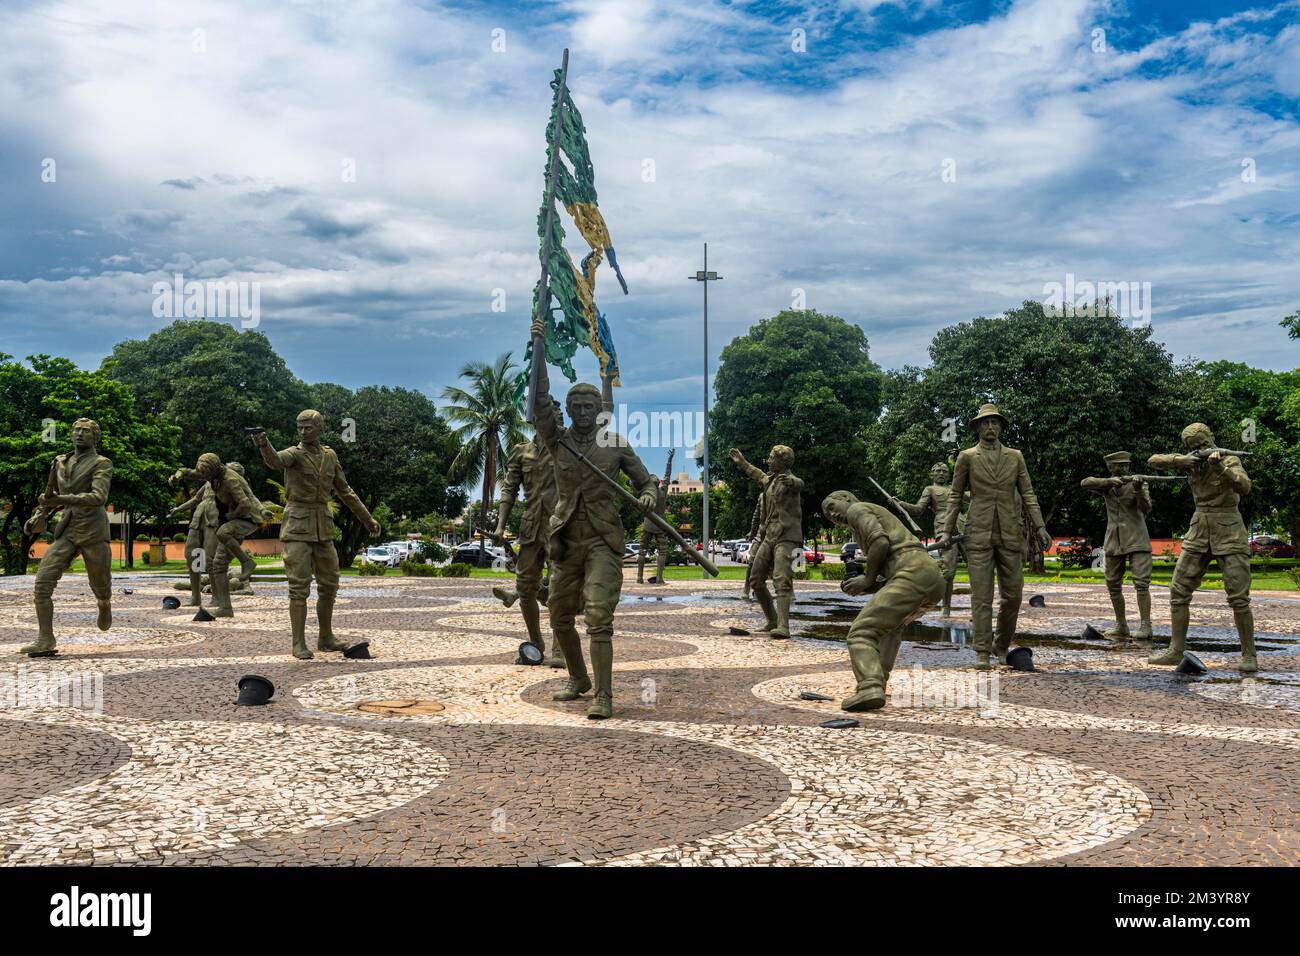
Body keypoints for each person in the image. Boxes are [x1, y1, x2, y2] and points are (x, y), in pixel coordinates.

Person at [528, 329, 657, 719]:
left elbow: (646, 480)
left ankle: (604, 695)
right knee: (560, 616)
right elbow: (537, 401)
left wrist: (649, 495)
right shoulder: (558, 441)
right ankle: (578, 678)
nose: (582, 413)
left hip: (603, 539)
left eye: (589, 407)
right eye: (576, 407)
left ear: (598, 409)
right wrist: (539, 349)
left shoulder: (615, 443)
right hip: (566, 539)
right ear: (567, 410)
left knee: (599, 616)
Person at [253, 411, 380, 659]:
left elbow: (346, 492)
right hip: (298, 525)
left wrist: (367, 519)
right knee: (299, 586)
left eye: (308, 428)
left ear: (319, 428)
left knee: (329, 584)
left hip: (323, 526)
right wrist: (263, 443)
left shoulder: (330, 456)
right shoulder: (294, 454)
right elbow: (275, 461)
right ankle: (298, 642)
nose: (303, 432)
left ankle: (326, 637)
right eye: (299, 428)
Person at [937, 404, 1050, 670]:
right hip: (978, 532)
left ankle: (1001, 645)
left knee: (1013, 596)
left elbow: (1028, 494)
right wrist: (946, 531)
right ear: (977, 427)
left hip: (1010, 532)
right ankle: (981, 651)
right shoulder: (966, 457)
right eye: (985, 423)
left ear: (1001, 426)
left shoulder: (1015, 456)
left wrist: (1040, 526)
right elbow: (954, 496)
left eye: (995, 423)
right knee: (981, 595)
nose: (991, 427)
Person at [1146, 424, 1255, 672]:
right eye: (1193, 446)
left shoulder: (1229, 458)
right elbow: (1154, 461)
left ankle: (1249, 655)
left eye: (1201, 443)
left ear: (1211, 438)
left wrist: (1222, 469)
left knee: (1238, 597)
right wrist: (1182, 459)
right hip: (1199, 528)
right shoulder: (1190, 460)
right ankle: (1176, 650)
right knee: (1178, 590)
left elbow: (1244, 486)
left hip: (1228, 528)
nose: (1199, 448)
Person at [823, 491, 945, 711]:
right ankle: (877, 682)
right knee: (890, 628)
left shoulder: (857, 509)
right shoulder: (869, 514)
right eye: (828, 515)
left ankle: (870, 686)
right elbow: (891, 560)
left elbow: (879, 541)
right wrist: (869, 584)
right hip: (930, 577)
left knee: (861, 632)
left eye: (833, 506)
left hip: (911, 572)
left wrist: (867, 578)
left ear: (847, 499)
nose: (833, 514)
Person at [23, 418, 113, 656]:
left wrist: (61, 500)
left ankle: (104, 604)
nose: (80, 434)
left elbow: (98, 498)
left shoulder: (102, 463)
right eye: (76, 430)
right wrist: (39, 515)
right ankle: (45, 638)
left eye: (86, 431)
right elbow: (49, 494)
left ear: (95, 437)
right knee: (42, 583)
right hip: (68, 529)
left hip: (93, 530)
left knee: (100, 585)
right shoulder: (60, 462)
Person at [492, 398, 564, 668]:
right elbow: (509, 490)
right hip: (531, 527)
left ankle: (561, 646)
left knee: (558, 590)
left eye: (559, 415)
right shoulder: (521, 452)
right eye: (551, 414)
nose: (558, 420)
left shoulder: (567, 449)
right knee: (525, 587)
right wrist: (500, 524)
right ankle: (536, 642)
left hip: (560, 528)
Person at [170, 454, 266, 618]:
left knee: (214, 562)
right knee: (193, 556)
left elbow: (248, 500)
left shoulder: (229, 483)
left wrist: (235, 515)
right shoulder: (211, 481)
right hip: (201, 518)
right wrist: (178, 504)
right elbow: (193, 487)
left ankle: (220, 599)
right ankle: (206, 599)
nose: (204, 478)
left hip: (218, 522)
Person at [729, 445, 804, 638]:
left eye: (772, 458)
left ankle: (783, 627)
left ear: (783, 461)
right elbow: (758, 475)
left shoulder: (789, 481)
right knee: (755, 578)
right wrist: (743, 462)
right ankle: (772, 620)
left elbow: (799, 483)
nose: (769, 460)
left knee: (781, 579)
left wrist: (791, 481)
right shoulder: (770, 480)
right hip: (769, 536)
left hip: (787, 536)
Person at [1080, 451, 1153, 643]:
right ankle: (1121, 624)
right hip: (1114, 540)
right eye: (1117, 466)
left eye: (1125, 465)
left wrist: (1137, 489)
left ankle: (1146, 625)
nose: (1122, 469)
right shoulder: (1107, 486)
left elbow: (1146, 509)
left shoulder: (1139, 483)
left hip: (1137, 539)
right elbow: (1085, 483)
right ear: (1110, 468)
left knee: (1141, 583)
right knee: (1112, 583)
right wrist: (1108, 482)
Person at [891, 462, 967, 617]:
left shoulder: (956, 488)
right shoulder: (930, 489)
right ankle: (946, 608)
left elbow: (977, 498)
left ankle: (983, 609)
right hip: (944, 530)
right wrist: (900, 504)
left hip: (965, 529)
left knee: (978, 568)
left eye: (944, 471)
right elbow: (918, 510)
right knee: (948, 571)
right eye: (938, 471)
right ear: (932, 474)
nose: (941, 473)